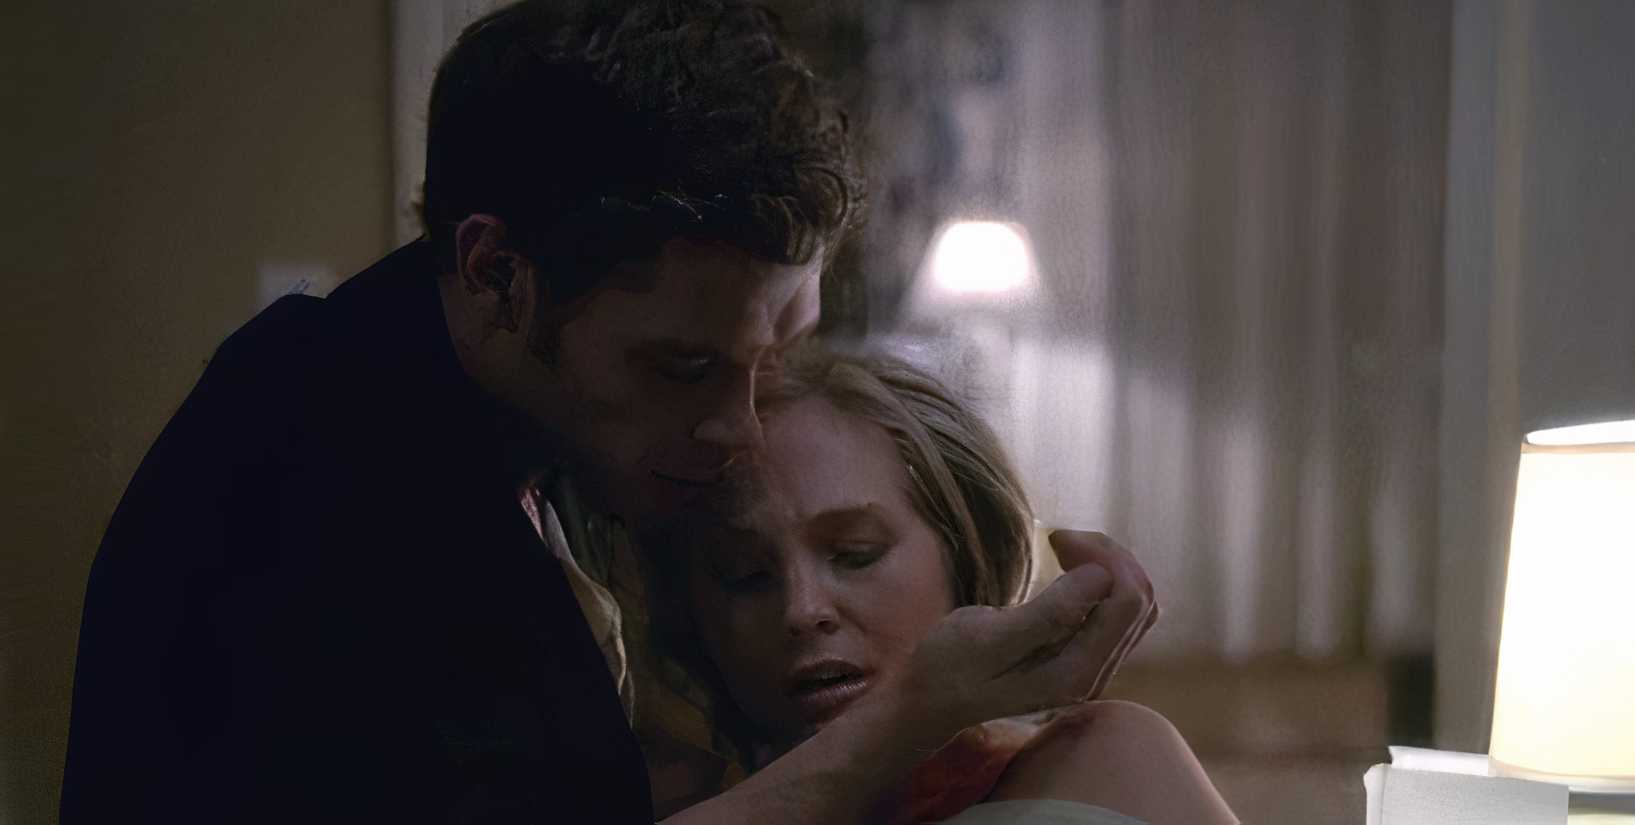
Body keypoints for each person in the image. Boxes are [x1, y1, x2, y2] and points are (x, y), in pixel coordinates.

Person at [60, 2, 1156, 823]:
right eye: (683, 367)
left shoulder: (524, 429)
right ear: (496, 274)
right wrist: (911, 713)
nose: (740, 431)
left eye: (778, 350)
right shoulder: (322, 477)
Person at [636, 344, 1234, 824]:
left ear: (964, 554)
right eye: (745, 575)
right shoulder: (652, 798)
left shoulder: (1103, 761)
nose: (801, 609)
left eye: (854, 554)